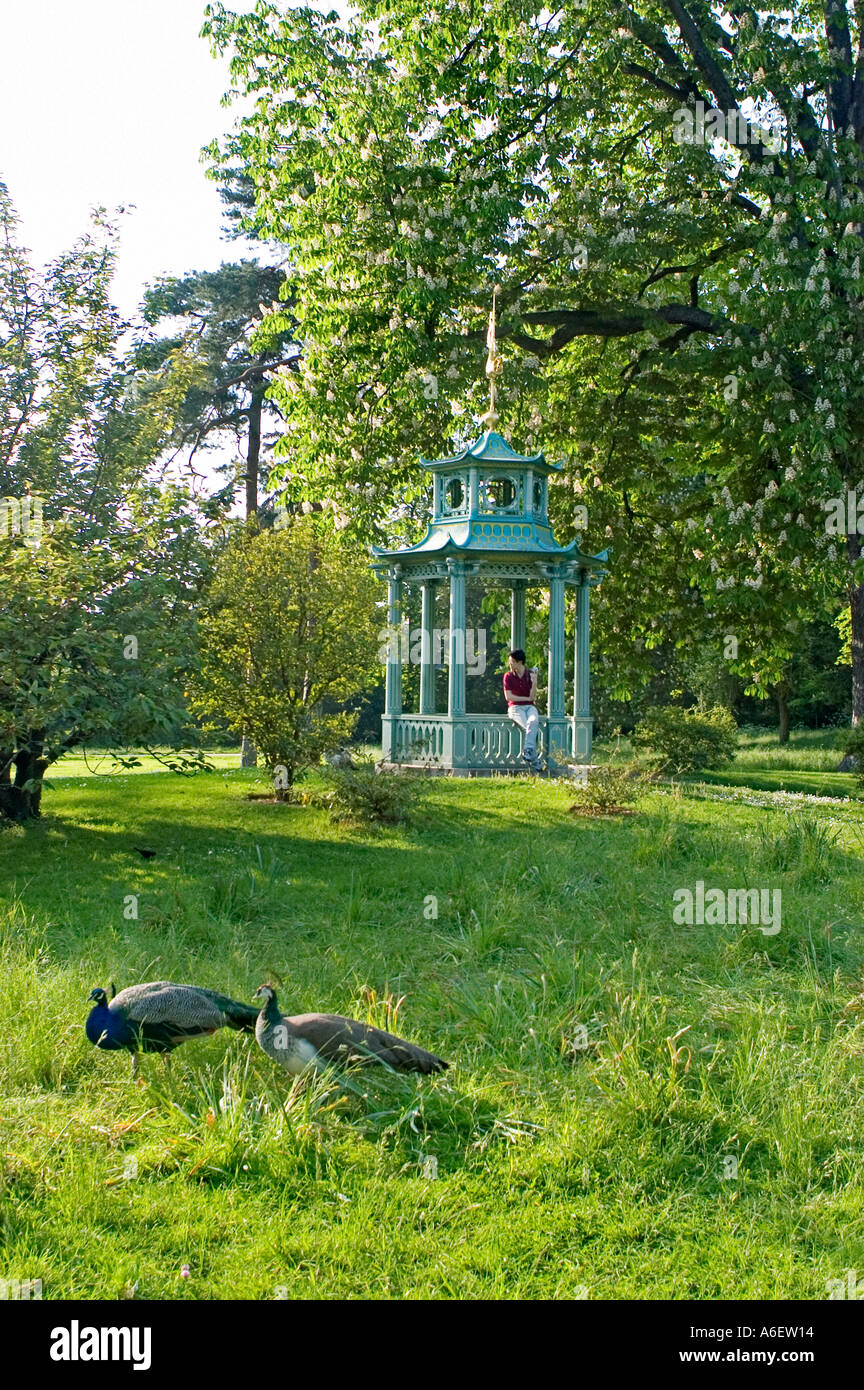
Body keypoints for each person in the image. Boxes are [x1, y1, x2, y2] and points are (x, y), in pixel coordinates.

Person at [503, 649, 541, 769]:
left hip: (530, 707)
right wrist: (526, 698)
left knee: (533, 721)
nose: (510, 664)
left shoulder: (529, 674)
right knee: (528, 728)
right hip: (515, 708)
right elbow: (509, 697)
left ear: (520, 662)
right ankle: (535, 761)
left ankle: (528, 752)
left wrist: (534, 682)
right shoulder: (508, 676)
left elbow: (533, 697)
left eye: (512, 662)